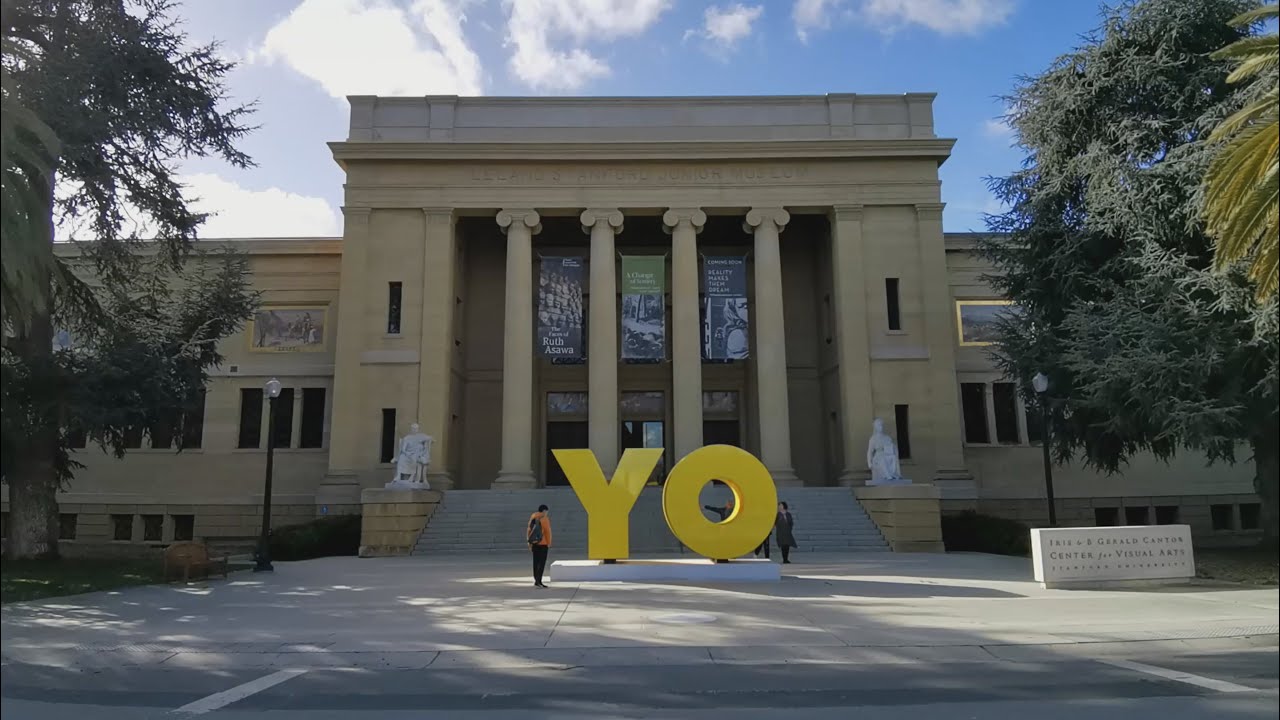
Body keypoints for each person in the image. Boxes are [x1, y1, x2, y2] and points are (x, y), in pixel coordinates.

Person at [527, 504, 552, 588]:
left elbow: (529, 529)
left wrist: (529, 542)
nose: (547, 513)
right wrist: (549, 542)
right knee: (541, 563)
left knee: (536, 562)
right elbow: (547, 531)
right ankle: (539, 581)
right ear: (544, 511)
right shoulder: (544, 518)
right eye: (547, 511)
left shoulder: (533, 517)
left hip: (534, 543)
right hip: (543, 544)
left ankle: (536, 580)